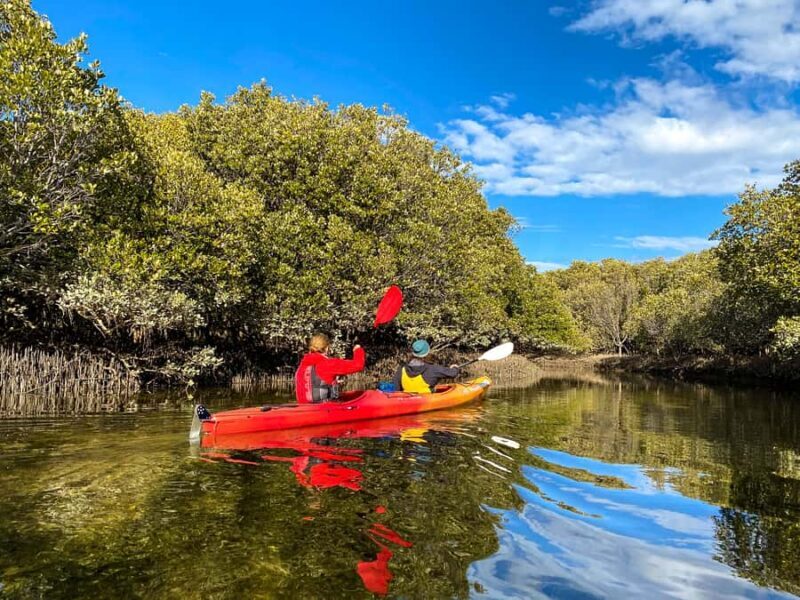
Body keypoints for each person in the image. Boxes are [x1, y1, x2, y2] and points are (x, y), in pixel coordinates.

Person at [295, 333, 365, 403]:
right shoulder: (328, 364)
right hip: (324, 410)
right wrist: (357, 350)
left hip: (303, 409)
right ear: (327, 348)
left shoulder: (301, 367)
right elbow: (358, 365)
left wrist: (333, 383)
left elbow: (314, 384)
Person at [393, 339, 460, 394]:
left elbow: (396, 388)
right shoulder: (433, 369)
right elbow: (453, 373)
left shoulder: (402, 369)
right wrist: (455, 367)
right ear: (427, 353)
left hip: (407, 400)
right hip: (427, 398)